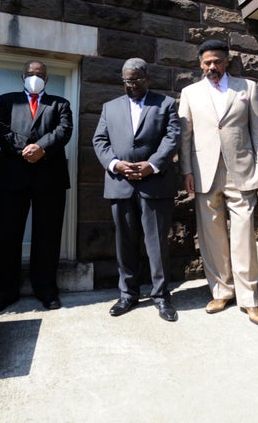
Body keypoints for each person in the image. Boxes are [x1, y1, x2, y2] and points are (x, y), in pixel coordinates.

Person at [178, 39, 258, 327]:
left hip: (240, 170)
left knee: (243, 235)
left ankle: (249, 299)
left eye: (217, 61)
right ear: (200, 64)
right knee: (212, 235)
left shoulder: (247, 88)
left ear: (226, 61)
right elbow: (185, 137)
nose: (212, 67)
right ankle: (221, 290)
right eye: (207, 62)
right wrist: (186, 170)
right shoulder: (190, 92)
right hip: (204, 172)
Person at [92, 58, 180, 322]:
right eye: (127, 81)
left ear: (147, 79)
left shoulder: (165, 104)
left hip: (155, 184)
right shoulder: (110, 108)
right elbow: (100, 140)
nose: (131, 86)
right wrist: (116, 164)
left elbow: (172, 137)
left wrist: (152, 165)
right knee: (125, 243)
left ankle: (162, 296)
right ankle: (128, 294)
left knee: (156, 244)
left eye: (136, 80)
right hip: (121, 185)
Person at [0, 60, 73, 314]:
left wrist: (41, 148)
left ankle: (46, 290)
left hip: (50, 180)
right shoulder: (6, 100)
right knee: (7, 236)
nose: (34, 78)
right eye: (30, 74)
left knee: (47, 237)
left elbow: (64, 130)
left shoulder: (60, 103)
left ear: (46, 80)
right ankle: (4, 291)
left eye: (40, 75)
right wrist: (24, 147)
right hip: (12, 178)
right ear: (22, 76)